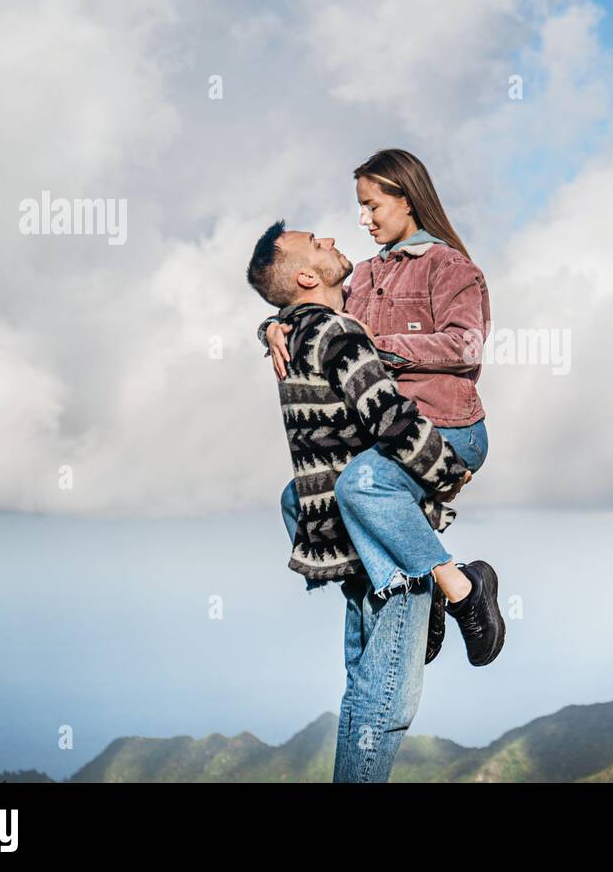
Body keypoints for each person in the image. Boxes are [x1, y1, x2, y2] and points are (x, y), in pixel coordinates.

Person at [246, 219, 501, 783]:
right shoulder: (336, 334)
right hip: (385, 549)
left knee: (361, 687)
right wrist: (447, 470)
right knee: (384, 700)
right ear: (308, 274)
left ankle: (444, 586)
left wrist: (271, 322)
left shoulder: (297, 332)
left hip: (348, 539)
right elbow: (392, 420)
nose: (335, 238)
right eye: (317, 244)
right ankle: (453, 583)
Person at [260, 149, 501, 671]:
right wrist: (272, 327)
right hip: (389, 436)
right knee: (298, 497)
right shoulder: (363, 277)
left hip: (450, 428)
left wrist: (385, 343)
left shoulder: (452, 268)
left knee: (359, 485)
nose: (363, 220)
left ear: (407, 199)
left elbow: (468, 347)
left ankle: (461, 591)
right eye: (360, 209)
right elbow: (309, 308)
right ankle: (423, 587)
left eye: (372, 207)